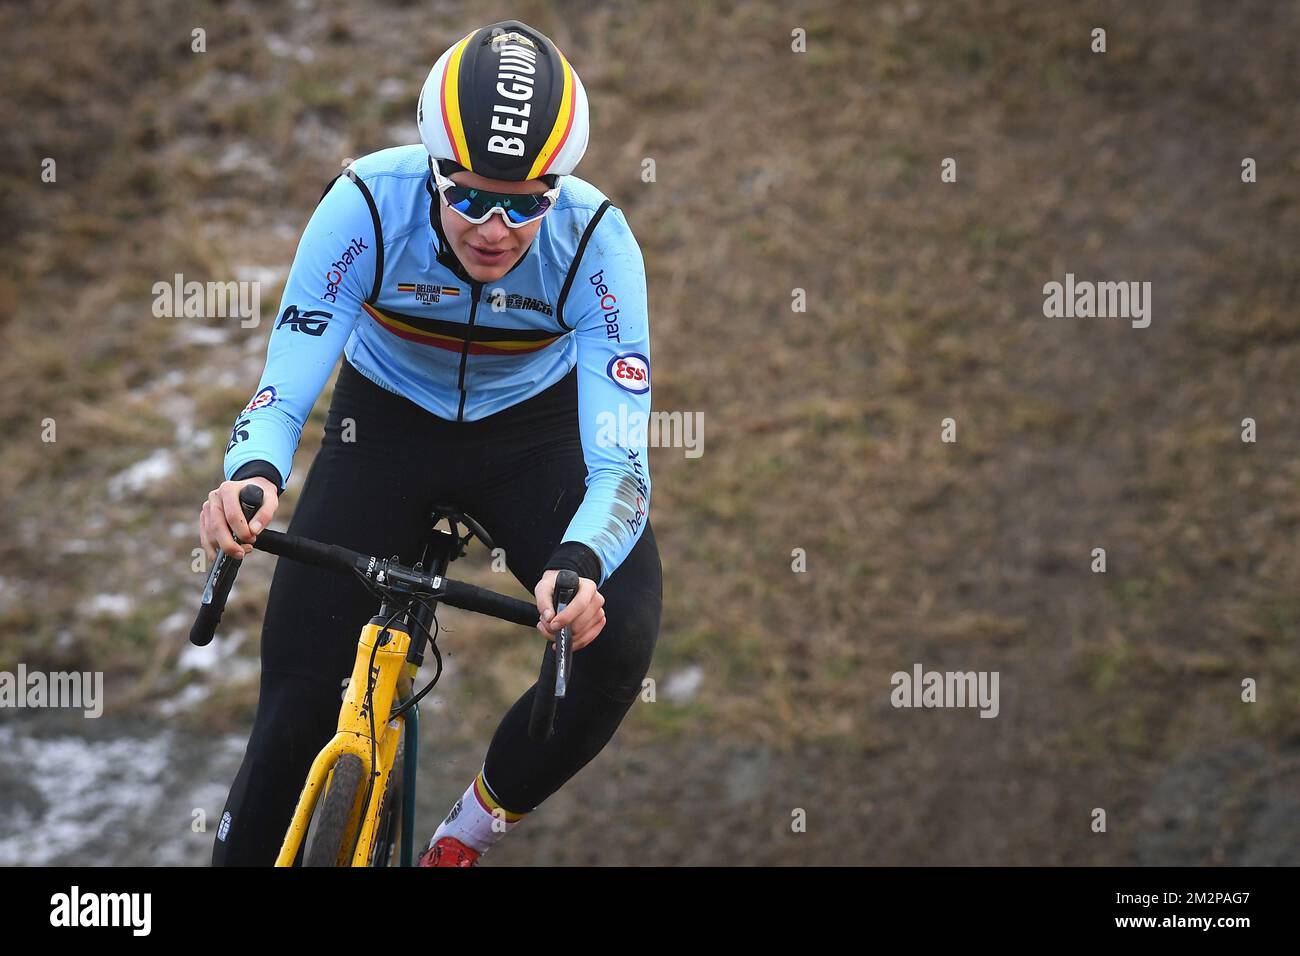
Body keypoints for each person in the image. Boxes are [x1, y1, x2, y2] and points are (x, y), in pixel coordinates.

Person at [201, 20, 661, 867]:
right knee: (296, 712)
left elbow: (622, 465)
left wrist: (585, 561)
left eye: (528, 200)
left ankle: (464, 836)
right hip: (383, 423)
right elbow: (282, 385)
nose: (496, 226)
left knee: (620, 637)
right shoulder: (366, 204)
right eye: (471, 194)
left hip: (532, 434)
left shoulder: (598, 245)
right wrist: (251, 475)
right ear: (432, 166)